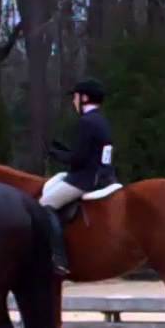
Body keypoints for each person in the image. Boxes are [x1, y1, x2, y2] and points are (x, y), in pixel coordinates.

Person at [41, 79, 117, 276]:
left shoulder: (86, 122)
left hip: (86, 179)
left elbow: (78, 159)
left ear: (84, 98)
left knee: (44, 205)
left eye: (75, 97)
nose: (73, 101)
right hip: (104, 175)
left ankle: (59, 258)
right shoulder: (101, 120)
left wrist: (57, 154)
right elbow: (91, 153)